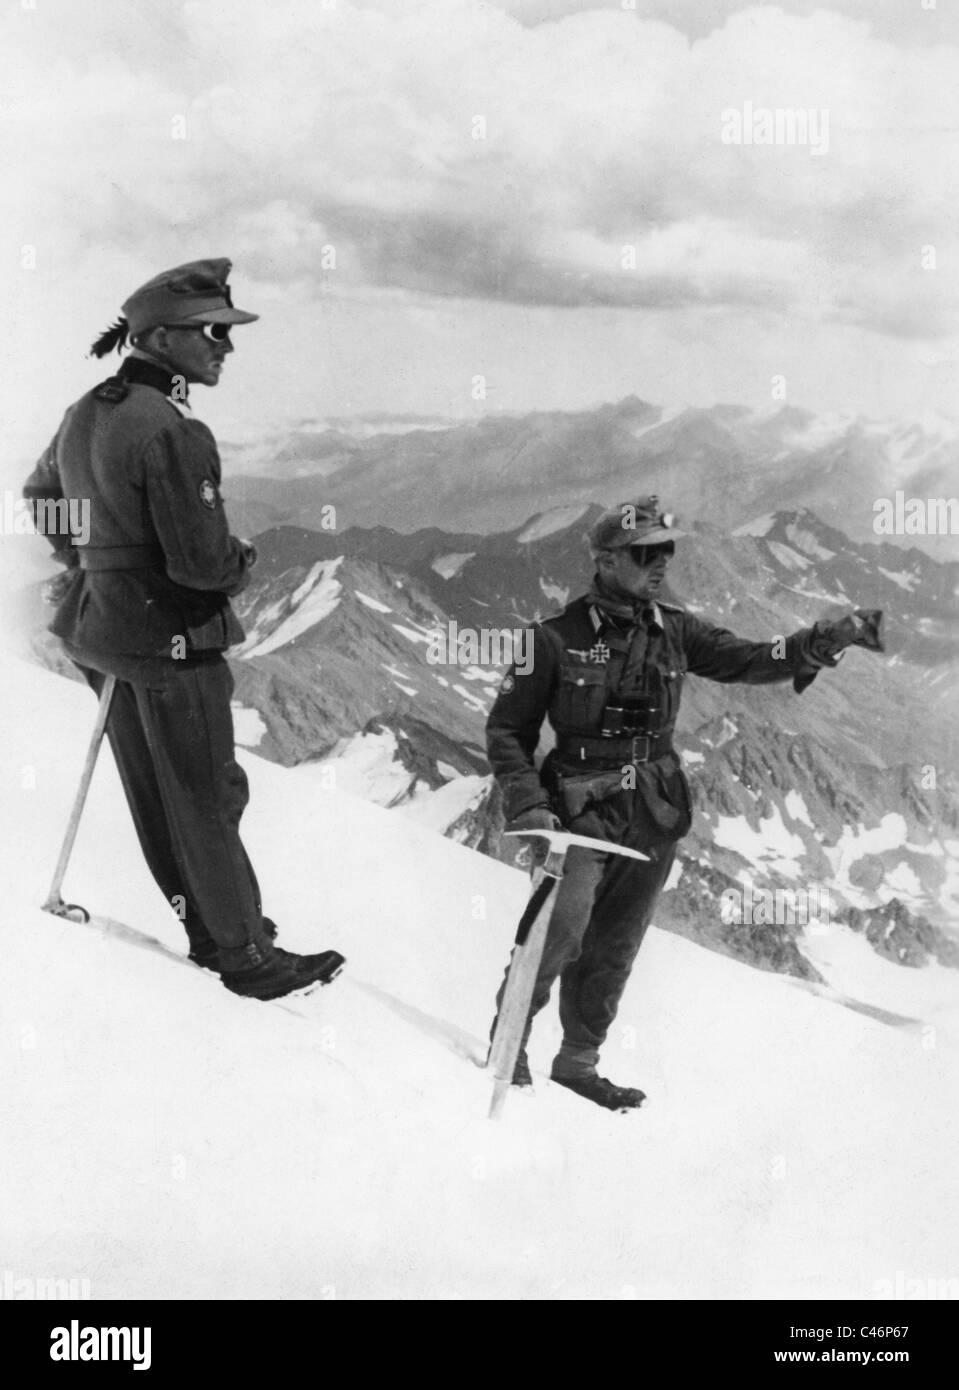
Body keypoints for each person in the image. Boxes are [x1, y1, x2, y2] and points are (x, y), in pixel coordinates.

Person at [486, 497, 882, 1109]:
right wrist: (530, 806)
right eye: (646, 554)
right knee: (558, 933)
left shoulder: (676, 630)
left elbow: (749, 660)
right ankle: (508, 1044)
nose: (660, 564)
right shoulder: (552, 639)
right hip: (577, 813)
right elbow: (507, 732)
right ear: (606, 560)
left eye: (666, 551)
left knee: (617, 943)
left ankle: (577, 1062)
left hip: (654, 812)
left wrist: (816, 643)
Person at [24, 258, 344, 1001]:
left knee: (154, 790)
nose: (226, 347)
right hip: (171, 637)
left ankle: (208, 931)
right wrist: (244, 560)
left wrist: (93, 558)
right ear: (162, 339)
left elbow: (42, 495)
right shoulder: (173, 428)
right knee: (206, 792)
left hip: (101, 631)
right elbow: (201, 565)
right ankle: (246, 956)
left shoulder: (87, 411)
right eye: (213, 333)